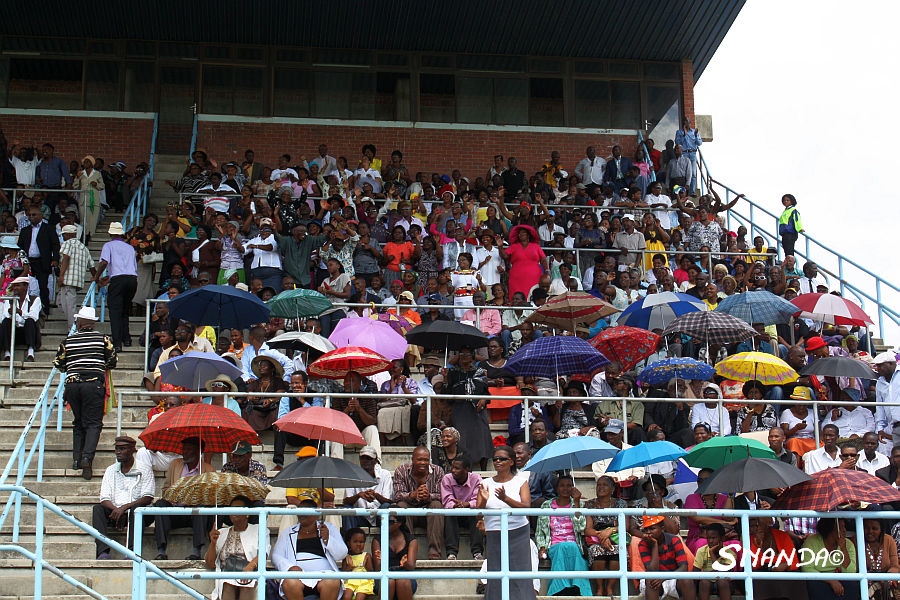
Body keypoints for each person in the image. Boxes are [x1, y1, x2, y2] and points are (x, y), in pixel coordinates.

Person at [53, 305, 117, 479]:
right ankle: (87, 458)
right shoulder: (103, 339)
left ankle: (76, 460)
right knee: (94, 423)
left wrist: (74, 366)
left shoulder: (68, 341)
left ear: (79, 323)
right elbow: (112, 361)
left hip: (73, 385)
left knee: (78, 422)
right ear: (93, 323)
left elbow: (59, 363)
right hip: (93, 384)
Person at [476, 445, 535, 600]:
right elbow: (478, 514)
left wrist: (505, 499)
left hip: (518, 532)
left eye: (502, 459)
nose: (497, 462)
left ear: (511, 462)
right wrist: (484, 501)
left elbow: (526, 508)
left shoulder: (521, 482)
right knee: (496, 571)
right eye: (495, 459)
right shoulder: (485, 483)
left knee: (520, 572)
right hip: (494, 532)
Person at [92, 436, 155, 559]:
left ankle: (131, 552)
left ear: (132, 450)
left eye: (122, 449)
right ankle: (103, 551)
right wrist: (117, 510)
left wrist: (124, 508)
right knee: (98, 509)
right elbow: (104, 498)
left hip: (137, 513)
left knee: (136, 510)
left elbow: (148, 497)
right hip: (115, 512)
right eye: (116, 449)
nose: (118, 452)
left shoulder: (145, 469)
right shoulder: (110, 470)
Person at [153, 436, 215, 560]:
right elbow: (165, 488)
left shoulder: (209, 469)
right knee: (160, 504)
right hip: (176, 510)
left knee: (201, 508)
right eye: (184, 449)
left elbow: (211, 497)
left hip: (195, 514)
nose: (184, 452)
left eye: (189, 449)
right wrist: (170, 497)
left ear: (198, 451)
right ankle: (161, 550)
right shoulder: (175, 465)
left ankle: (196, 551)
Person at [272, 498, 347, 600]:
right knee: (289, 583)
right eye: (300, 511)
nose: (302, 515)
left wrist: (328, 539)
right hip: (298, 576)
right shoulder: (288, 532)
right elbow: (276, 555)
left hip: (324, 574)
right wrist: (289, 567)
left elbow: (342, 554)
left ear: (316, 514)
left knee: (332, 581)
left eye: (305, 511)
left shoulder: (329, 528)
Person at [535, 474, 592, 597]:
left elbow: (581, 528)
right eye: (562, 486)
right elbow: (540, 531)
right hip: (554, 545)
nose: (565, 488)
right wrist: (542, 548)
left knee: (571, 547)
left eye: (569, 485)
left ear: (573, 488)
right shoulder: (546, 505)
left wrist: (576, 503)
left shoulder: (579, 505)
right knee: (562, 548)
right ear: (556, 489)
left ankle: (576, 588)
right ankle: (560, 589)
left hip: (575, 545)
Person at [205, 495, 270, 600]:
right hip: (226, 576)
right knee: (228, 584)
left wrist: (250, 567)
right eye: (232, 509)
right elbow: (210, 563)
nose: (234, 512)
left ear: (247, 514)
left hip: (250, 574)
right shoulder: (221, 533)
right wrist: (213, 543)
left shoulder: (259, 530)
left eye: (238, 508)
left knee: (246, 585)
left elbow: (264, 552)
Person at [392, 446, 445, 559]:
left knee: (437, 505)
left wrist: (428, 496)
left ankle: (434, 552)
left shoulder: (438, 471)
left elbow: (442, 496)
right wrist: (412, 495)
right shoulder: (401, 471)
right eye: (419, 459)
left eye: (426, 460)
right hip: (410, 514)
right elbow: (397, 496)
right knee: (401, 505)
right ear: (412, 459)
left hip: (429, 514)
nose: (423, 463)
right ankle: (407, 551)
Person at [94, 221, 138, 351]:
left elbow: (104, 263)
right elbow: (128, 269)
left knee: (115, 311)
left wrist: (96, 277)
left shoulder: (108, 246)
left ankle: (117, 342)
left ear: (110, 234)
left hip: (118, 280)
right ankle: (127, 338)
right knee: (125, 310)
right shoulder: (130, 247)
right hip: (132, 280)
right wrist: (109, 278)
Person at [583, 475, 629, 595]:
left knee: (617, 550)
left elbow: (625, 526)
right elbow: (588, 530)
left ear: (612, 489)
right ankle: (599, 588)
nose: (601, 487)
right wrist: (601, 535)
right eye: (599, 485)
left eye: (605, 485)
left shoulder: (621, 504)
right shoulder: (589, 504)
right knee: (597, 550)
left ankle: (610, 588)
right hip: (596, 538)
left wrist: (609, 532)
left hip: (615, 537)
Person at [638, 515, 696, 600]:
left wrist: (663, 577)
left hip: (672, 578)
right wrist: (654, 546)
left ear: (662, 528)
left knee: (687, 579)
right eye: (646, 530)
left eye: (652, 529)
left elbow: (684, 567)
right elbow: (652, 570)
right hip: (655, 580)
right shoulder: (643, 544)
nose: (648, 532)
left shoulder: (674, 540)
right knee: (650, 579)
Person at [801, 518, 858, 600]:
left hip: (841, 582)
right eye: (841, 527)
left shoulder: (848, 544)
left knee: (852, 585)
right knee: (813, 584)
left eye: (844, 527)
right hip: (819, 581)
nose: (844, 530)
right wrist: (831, 581)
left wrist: (843, 549)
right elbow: (806, 568)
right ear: (830, 529)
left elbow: (850, 572)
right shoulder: (811, 541)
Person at [17, 204, 58, 317]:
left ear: (40, 215)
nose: (31, 217)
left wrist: (55, 259)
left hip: (42, 261)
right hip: (27, 262)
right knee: (25, 285)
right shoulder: (25, 230)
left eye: (34, 215)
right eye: (30, 215)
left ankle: (45, 309)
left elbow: (55, 245)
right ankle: (25, 308)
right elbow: (20, 246)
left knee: (43, 286)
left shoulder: (48, 228)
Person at [440, 453, 484, 560]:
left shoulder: (476, 479)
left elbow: (478, 500)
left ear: (467, 469)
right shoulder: (447, 478)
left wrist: (467, 504)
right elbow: (447, 500)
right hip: (455, 512)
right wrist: (456, 505)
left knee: (477, 514)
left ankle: (477, 552)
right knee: (449, 514)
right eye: (452, 467)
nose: (453, 470)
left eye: (457, 468)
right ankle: (451, 553)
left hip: (470, 513)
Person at [683, 468, 736, 553]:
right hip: (699, 538)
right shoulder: (691, 498)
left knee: (736, 544)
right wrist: (725, 523)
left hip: (723, 538)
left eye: (707, 480)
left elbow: (729, 518)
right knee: (702, 544)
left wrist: (730, 496)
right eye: (700, 480)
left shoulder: (724, 498)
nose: (703, 483)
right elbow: (698, 518)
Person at [341, 446, 392, 531]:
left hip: (379, 516)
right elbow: (346, 501)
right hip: (361, 516)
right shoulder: (353, 475)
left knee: (386, 507)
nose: (365, 461)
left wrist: (375, 495)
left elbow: (389, 501)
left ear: (375, 461)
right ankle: (349, 537)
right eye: (362, 458)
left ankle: (385, 537)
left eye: (369, 458)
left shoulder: (385, 474)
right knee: (347, 509)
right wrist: (359, 495)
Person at [57, 223, 96, 329]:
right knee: (63, 304)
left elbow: (66, 258)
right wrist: (96, 278)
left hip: (67, 279)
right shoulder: (84, 248)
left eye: (64, 235)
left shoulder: (67, 243)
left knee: (69, 307)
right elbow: (92, 266)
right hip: (77, 281)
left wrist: (61, 276)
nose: (63, 237)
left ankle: (73, 328)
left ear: (69, 235)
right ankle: (74, 325)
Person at [371, 514, 417, 600]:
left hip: (405, 577)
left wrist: (405, 563)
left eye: (390, 522)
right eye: (383, 521)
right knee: (388, 582)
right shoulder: (378, 540)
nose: (386, 524)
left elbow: (411, 567)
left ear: (399, 523)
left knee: (402, 581)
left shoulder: (411, 540)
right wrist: (382, 560)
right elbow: (377, 568)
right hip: (384, 574)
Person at [498, 225, 547, 301]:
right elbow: (505, 256)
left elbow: (543, 259)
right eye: (519, 233)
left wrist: (547, 270)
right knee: (517, 298)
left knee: (534, 296)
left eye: (523, 233)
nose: (521, 234)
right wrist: (500, 247)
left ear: (528, 235)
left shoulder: (536, 246)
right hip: (517, 279)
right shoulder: (514, 246)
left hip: (534, 277)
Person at [0, 276, 41, 361]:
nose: (15, 288)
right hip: (14, 333)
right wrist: (11, 314)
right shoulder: (9, 300)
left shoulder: (35, 299)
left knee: (30, 321)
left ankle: (30, 353)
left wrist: (20, 312)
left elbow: (34, 316)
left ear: (25, 286)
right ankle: (7, 353)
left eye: (18, 285)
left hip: (28, 333)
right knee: (5, 322)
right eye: (14, 286)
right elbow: (4, 316)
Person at [694, 523, 736, 600]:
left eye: (713, 538)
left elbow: (724, 573)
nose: (710, 541)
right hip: (707, 583)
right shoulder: (701, 551)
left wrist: (712, 553)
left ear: (722, 538)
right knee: (704, 582)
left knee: (722, 582)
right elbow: (695, 572)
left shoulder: (729, 553)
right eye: (708, 538)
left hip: (725, 583)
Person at [861, 518, 900, 600]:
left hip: (887, 579)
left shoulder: (889, 540)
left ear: (881, 530)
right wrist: (877, 578)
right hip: (867, 580)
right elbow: (857, 568)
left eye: (874, 528)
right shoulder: (857, 540)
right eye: (866, 528)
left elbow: (895, 566)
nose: (870, 531)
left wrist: (887, 578)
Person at [341, 528, 374, 600]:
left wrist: (366, 565)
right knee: (346, 597)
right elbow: (342, 574)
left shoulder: (366, 556)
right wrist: (349, 568)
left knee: (359, 598)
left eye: (361, 542)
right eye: (355, 542)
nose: (358, 544)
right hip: (350, 581)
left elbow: (371, 571)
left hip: (364, 582)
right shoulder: (347, 557)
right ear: (349, 543)